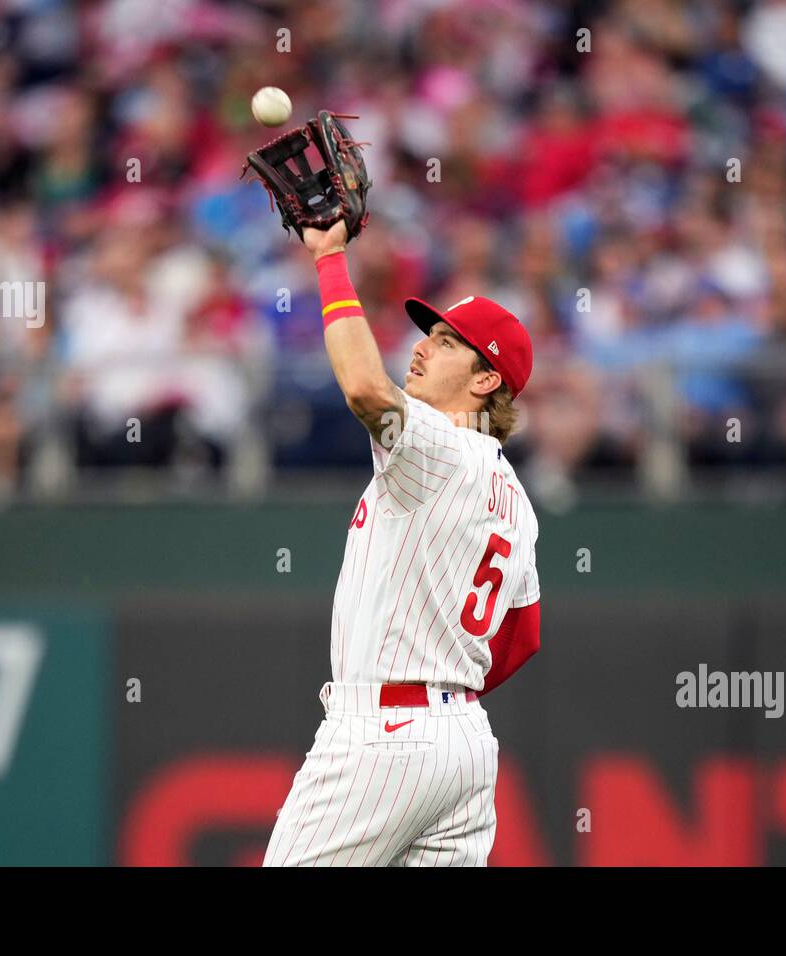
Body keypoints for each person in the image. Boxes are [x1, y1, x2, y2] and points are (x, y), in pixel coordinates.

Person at [263, 219, 543, 867]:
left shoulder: (439, 448)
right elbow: (522, 637)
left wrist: (330, 258)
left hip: (386, 732)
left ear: (484, 382)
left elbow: (364, 388)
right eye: (430, 335)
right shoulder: (516, 500)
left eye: (447, 344)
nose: (422, 348)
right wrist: (447, 687)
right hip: (465, 746)